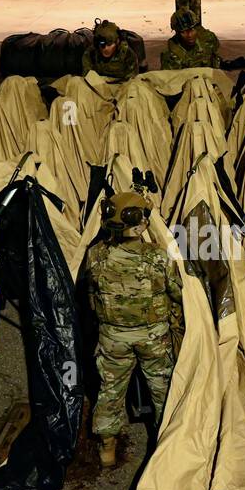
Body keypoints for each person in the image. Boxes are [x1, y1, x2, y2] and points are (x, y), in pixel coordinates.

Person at [85, 191, 183, 466]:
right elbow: (177, 292)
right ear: (140, 224)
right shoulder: (157, 257)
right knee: (162, 390)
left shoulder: (96, 255)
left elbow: (91, 295)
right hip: (153, 338)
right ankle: (165, 445)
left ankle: (107, 447)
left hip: (113, 337)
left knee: (110, 390)